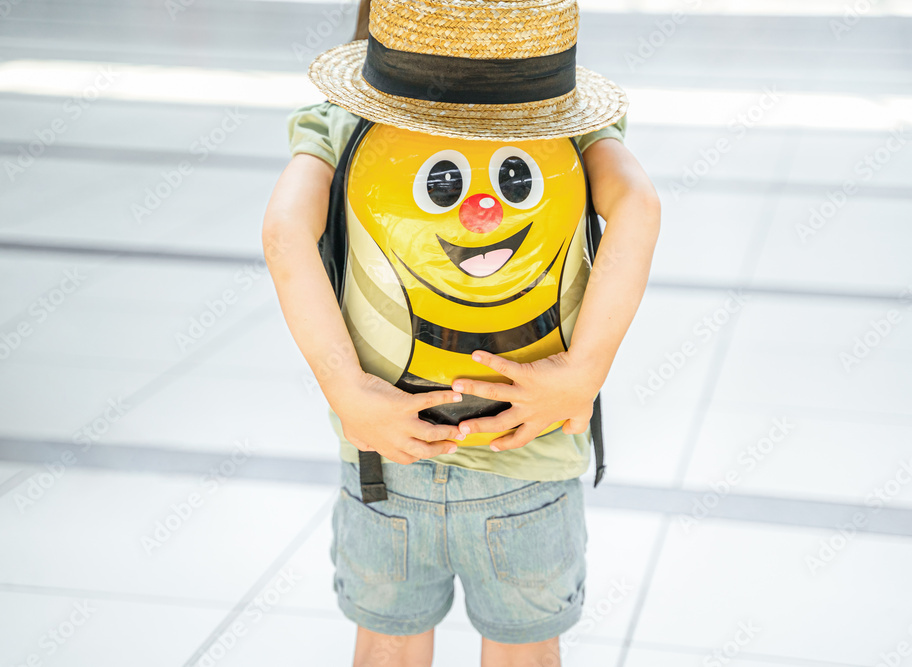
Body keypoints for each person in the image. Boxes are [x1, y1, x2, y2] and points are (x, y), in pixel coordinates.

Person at [262, 1, 660, 665]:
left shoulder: (345, 119)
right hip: (526, 455)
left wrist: (346, 387)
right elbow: (639, 205)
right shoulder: (572, 126)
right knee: (522, 652)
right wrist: (583, 371)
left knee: (388, 647)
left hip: (387, 456)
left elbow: (284, 231)